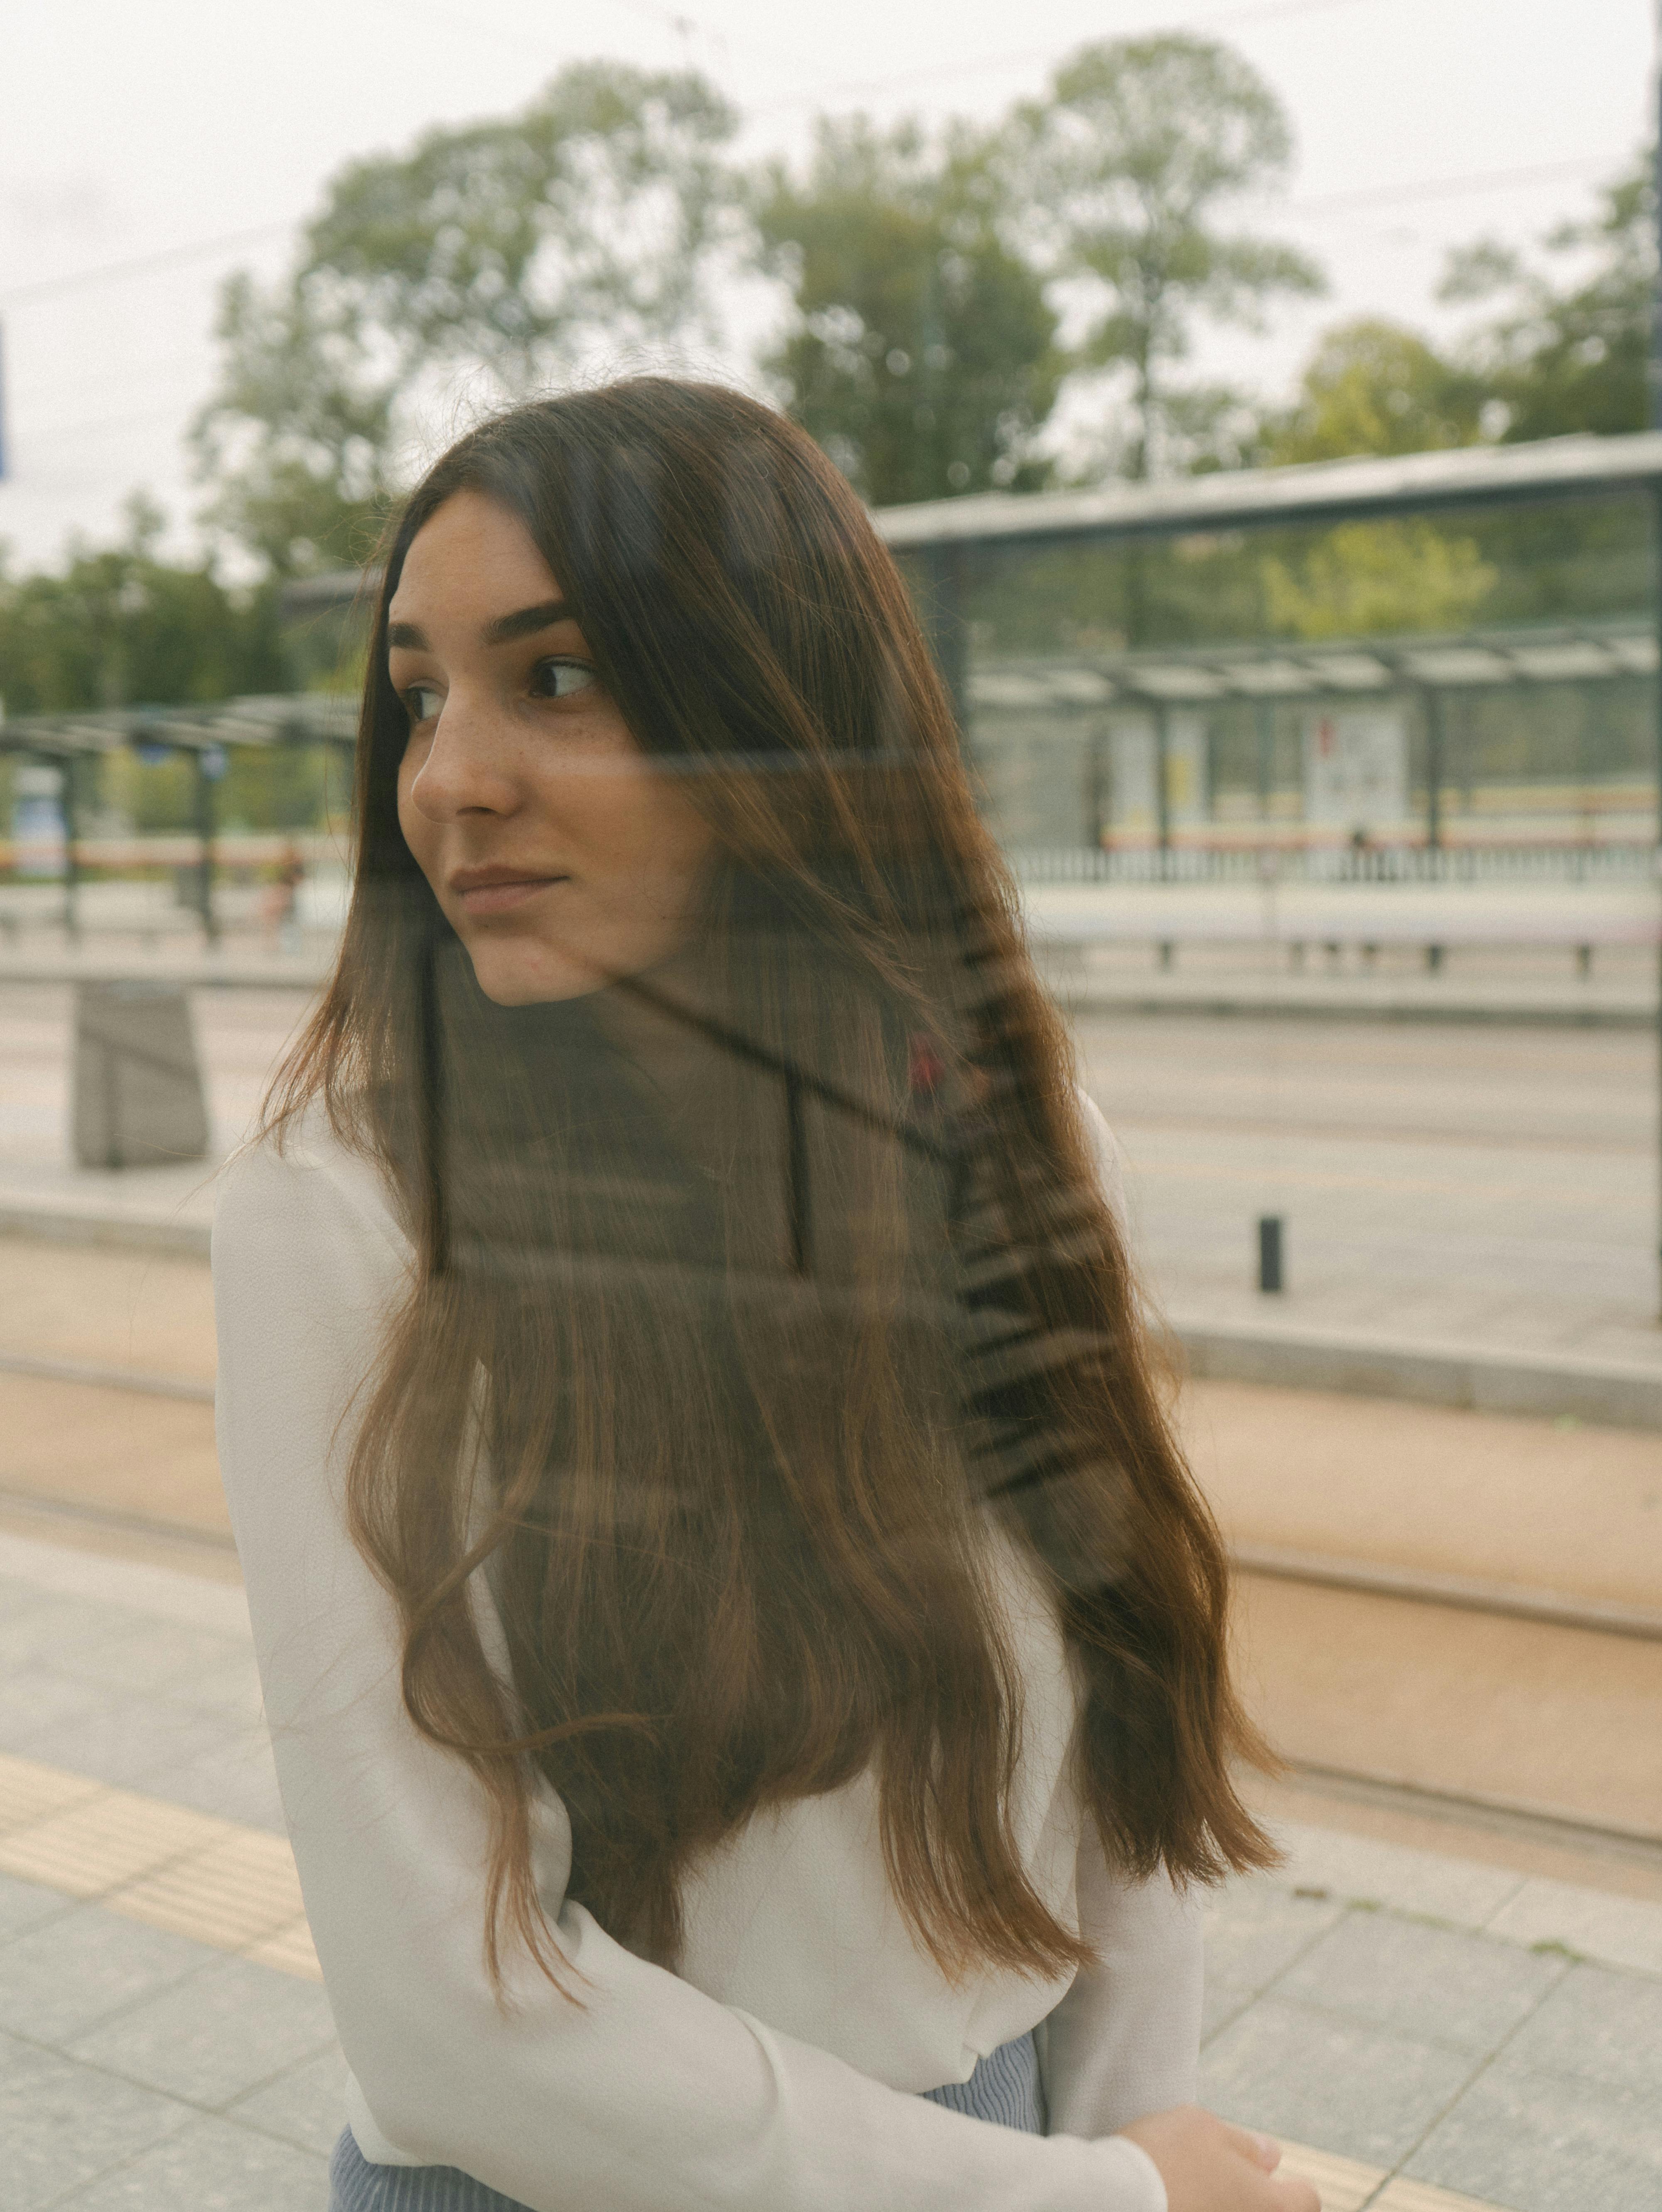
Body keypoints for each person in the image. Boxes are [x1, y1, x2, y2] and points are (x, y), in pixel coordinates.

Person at [213, 378, 1318, 2212]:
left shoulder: (1021, 1149)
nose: (448, 774)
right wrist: (1105, 2201)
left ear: (779, 722)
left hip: (1009, 2132)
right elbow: (452, 2011)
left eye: (552, 676)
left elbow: (1121, 1730)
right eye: (421, 693)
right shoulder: (347, 1220)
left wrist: (1129, 2140)